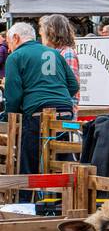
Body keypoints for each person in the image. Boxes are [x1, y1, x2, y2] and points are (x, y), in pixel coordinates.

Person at [5, 22, 78, 186]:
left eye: (9, 43)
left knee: (30, 159)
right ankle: (59, 198)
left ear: (16, 38)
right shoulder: (54, 53)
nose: (9, 48)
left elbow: (13, 97)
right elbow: (74, 85)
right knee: (60, 155)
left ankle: (27, 202)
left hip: (37, 111)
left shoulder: (15, 57)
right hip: (65, 109)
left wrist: (8, 116)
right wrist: (58, 97)